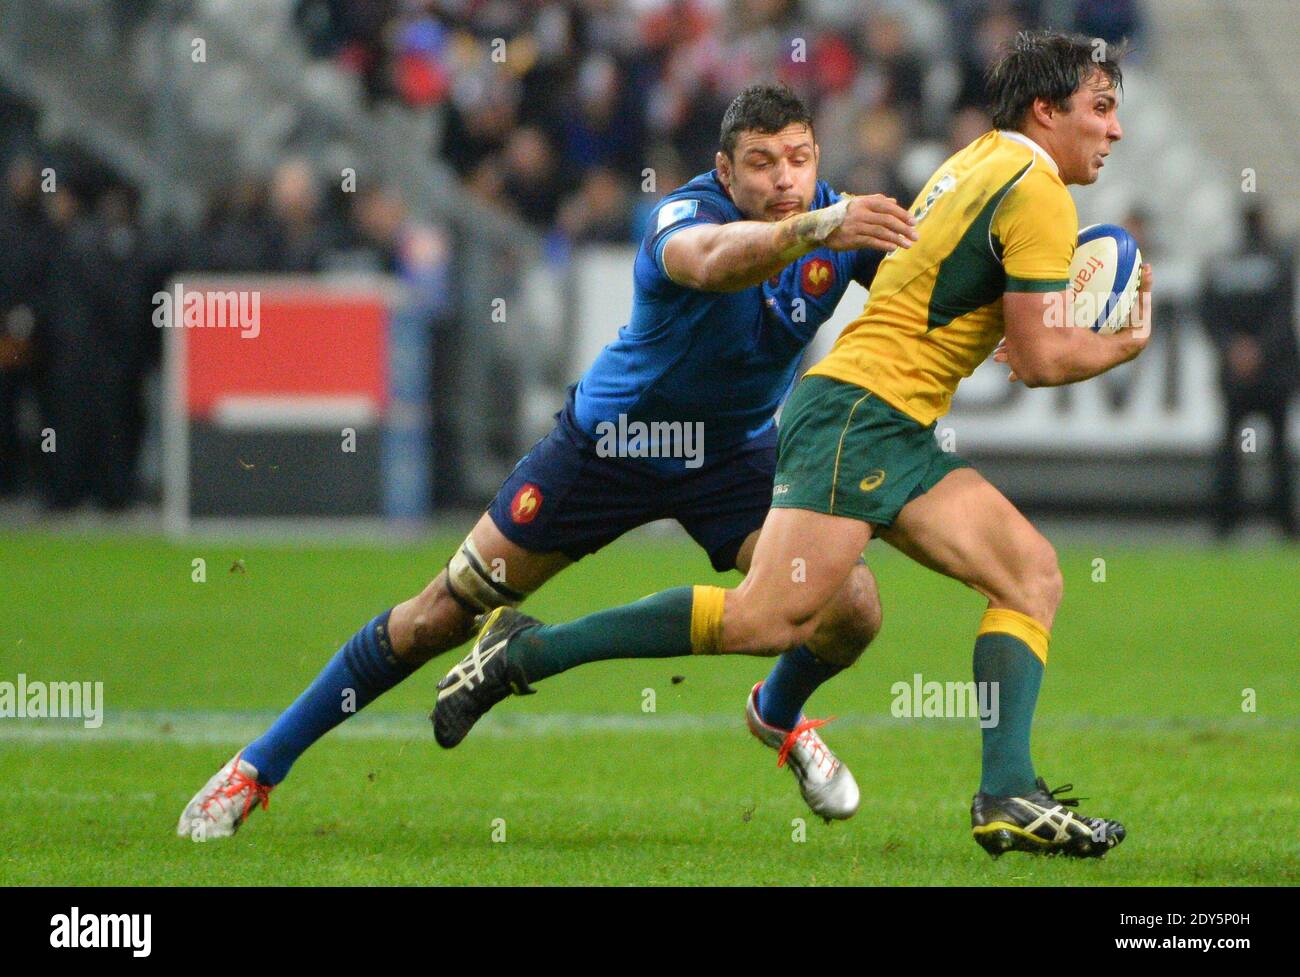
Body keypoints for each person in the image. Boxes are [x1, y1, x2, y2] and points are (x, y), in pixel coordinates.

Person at [435, 31, 1152, 859]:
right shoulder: (1040, 193)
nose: (1114, 130)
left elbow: (928, 287)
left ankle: (1007, 795)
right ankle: (525, 650)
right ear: (1045, 110)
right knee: (765, 617)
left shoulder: (981, 158)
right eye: (1100, 110)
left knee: (1029, 574)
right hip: (857, 417)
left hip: (889, 419)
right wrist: (1121, 342)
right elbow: (1037, 358)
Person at [177, 84, 919, 840]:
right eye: (761, 164)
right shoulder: (689, 218)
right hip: (609, 447)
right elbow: (715, 263)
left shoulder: (842, 218)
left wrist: (1000, 310)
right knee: (439, 613)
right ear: (725, 174)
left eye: (798, 159)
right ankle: (255, 767)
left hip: (732, 455)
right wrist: (822, 227)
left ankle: (778, 715)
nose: (784, 180)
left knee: (851, 603)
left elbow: (930, 288)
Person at [1203, 202, 1299, 539]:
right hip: (1274, 373)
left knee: (1230, 451)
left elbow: (1209, 314)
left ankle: (1225, 523)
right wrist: (1259, 350)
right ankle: (1285, 523)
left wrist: (1233, 347)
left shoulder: (1221, 264)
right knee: (1279, 452)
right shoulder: (1278, 262)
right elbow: (1283, 317)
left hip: (1235, 374)